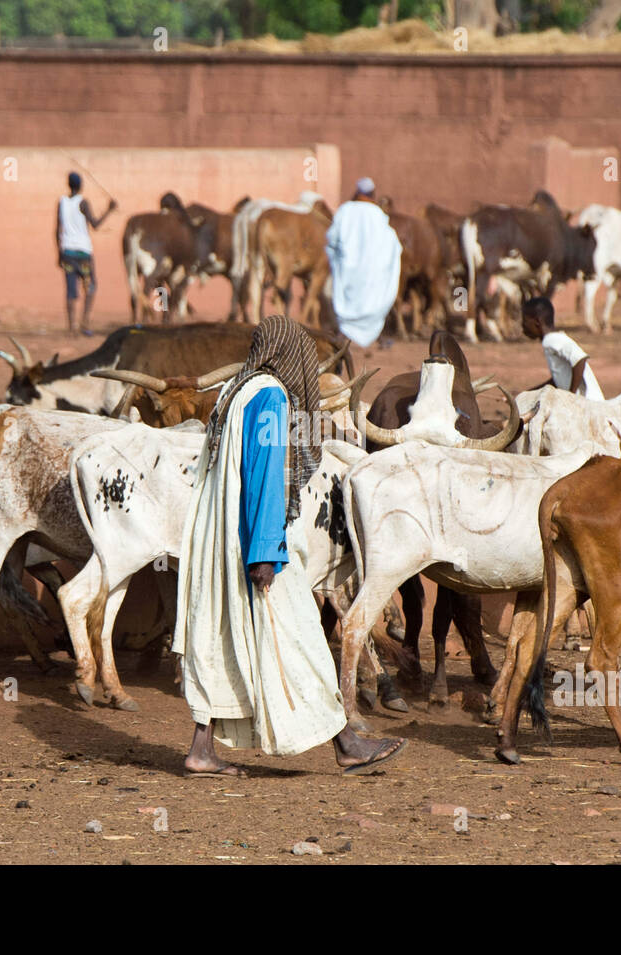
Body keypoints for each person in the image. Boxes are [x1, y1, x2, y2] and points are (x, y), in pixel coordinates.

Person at [172, 315, 407, 777]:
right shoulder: (270, 397)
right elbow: (264, 478)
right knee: (304, 640)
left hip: (221, 540)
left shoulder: (234, 391)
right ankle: (348, 743)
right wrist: (264, 551)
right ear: (290, 355)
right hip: (259, 546)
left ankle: (202, 750)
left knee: (222, 636)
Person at [324, 177, 402, 348]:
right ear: (372, 194)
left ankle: (344, 333)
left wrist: (340, 257)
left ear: (357, 193)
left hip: (347, 270)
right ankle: (375, 335)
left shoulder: (345, 210)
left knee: (344, 298)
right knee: (374, 298)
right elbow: (392, 243)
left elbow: (331, 238)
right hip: (372, 271)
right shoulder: (377, 214)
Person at [57, 171, 116, 337]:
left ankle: (71, 326)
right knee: (90, 286)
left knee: (70, 290)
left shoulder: (61, 202)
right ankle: (85, 322)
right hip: (83, 253)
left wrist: (59, 254)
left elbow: (57, 229)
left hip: (67, 251)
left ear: (69, 185)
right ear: (80, 185)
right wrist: (110, 210)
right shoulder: (83, 203)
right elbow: (95, 224)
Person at [521, 296, 605, 400]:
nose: (523, 326)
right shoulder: (553, 341)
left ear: (537, 322)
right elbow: (556, 381)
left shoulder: (552, 340)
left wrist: (571, 396)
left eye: (525, 321)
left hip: (588, 405)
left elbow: (580, 360)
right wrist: (526, 394)